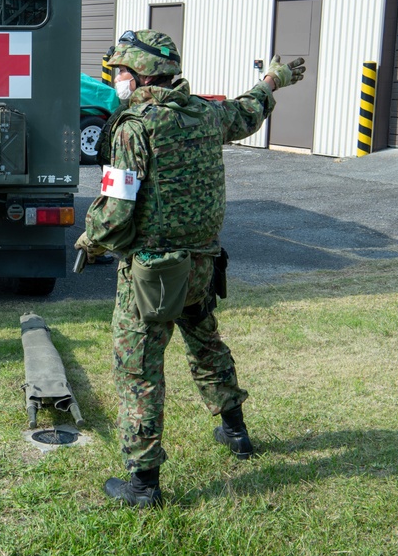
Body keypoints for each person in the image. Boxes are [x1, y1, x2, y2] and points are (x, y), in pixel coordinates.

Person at [75, 30, 305, 507]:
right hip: (201, 265)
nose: (115, 78)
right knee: (205, 343)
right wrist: (272, 80)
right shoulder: (205, 113)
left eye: (119, 71)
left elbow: (116, 213)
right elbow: (248, 109)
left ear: (139, 73)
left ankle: (143, 484)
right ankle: (236, 432)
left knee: (138, 368)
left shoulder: (133, 126)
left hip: (153, 276)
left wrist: (90, 241)